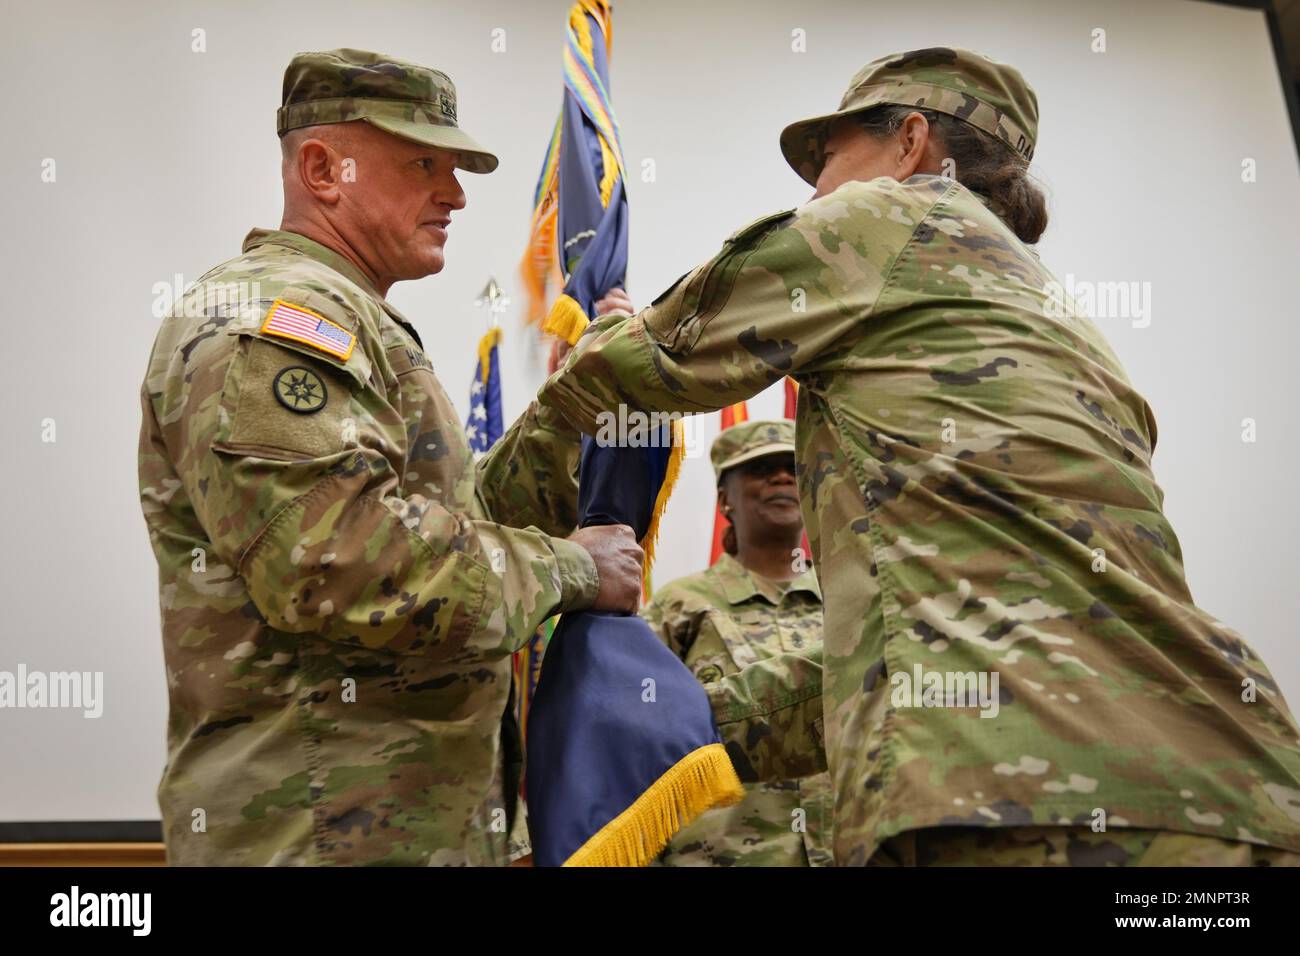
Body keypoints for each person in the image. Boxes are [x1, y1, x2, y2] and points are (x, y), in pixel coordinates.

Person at [543, 47, 1300, 865]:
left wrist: (479, 539)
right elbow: (930, 648)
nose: (816, 194)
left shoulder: (885, 221)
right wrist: (652, 724)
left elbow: (627, 370)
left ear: (910, 144)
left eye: (828, 160)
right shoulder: (1069, 329)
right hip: (1234, 803)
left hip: (1001, 806)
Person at [136, 48, 642, 866]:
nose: (455, 194)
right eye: (423, 164)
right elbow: (342, 563)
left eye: (455, 168)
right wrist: (572, 570)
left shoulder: (347, 317)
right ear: (321, 168)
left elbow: (458, 526)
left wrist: (581, 397)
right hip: (318, 837)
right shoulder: (275, 316)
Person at [643, 420, 832, 866]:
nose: (782, 477)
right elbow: (637, 738)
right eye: (761, 469)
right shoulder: (681, 605)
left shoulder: (851, 601)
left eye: (792, 467)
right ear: (725, 498)